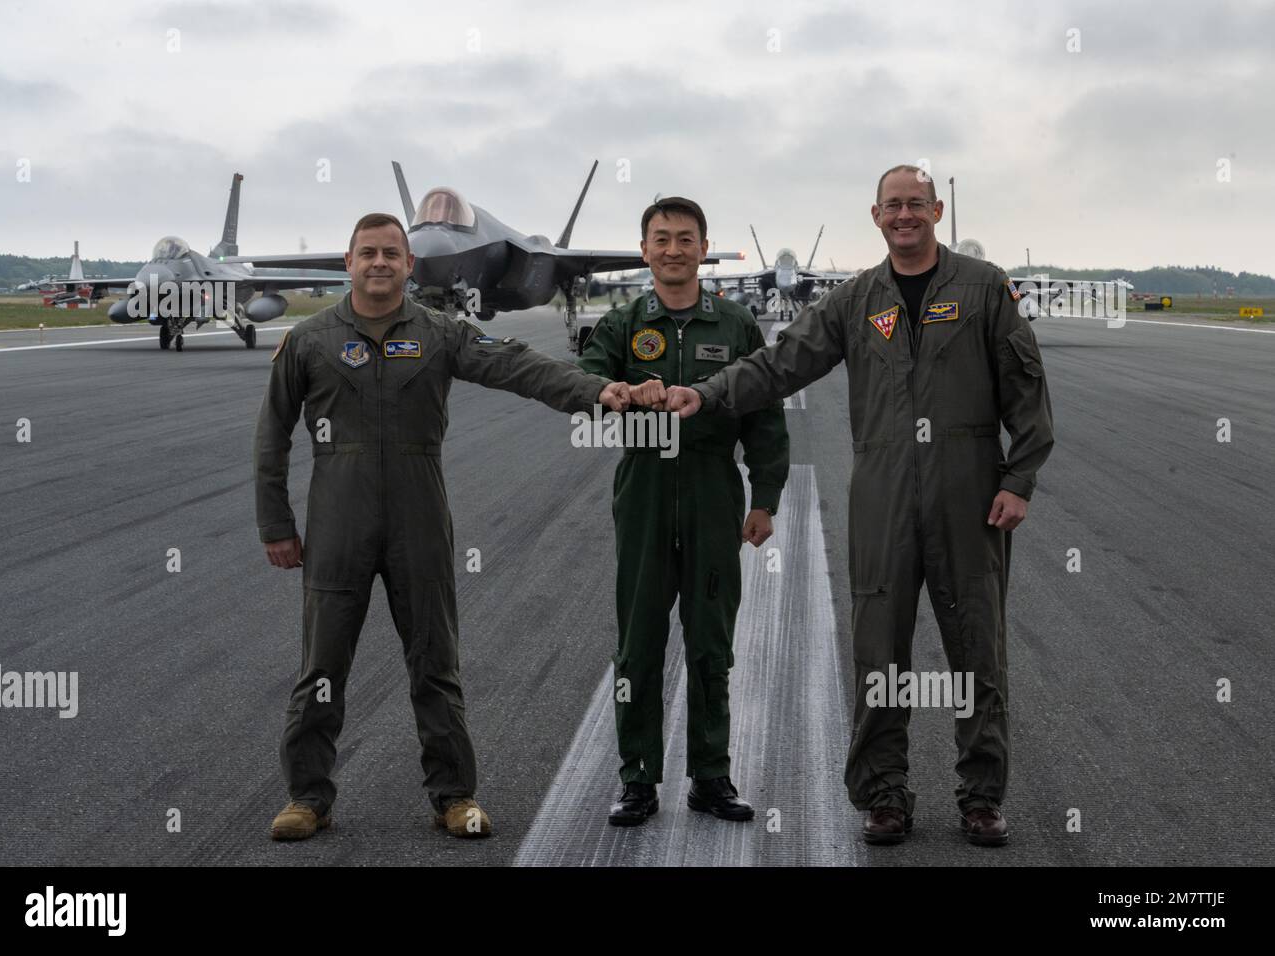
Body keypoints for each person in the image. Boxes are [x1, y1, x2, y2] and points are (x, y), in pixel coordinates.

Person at [666, 166, 1054, 847]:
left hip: (968, 495)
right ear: (875, 216)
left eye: (916, 204)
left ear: (935, 210)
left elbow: (1028, 390)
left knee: (978, 652)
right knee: (879, 652)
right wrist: (710, 392)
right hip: (881, 495)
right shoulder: (854, 300)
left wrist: (1018, 479)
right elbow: (782, 362)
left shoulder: (983, 288)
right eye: (892, 206)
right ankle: (884, 794)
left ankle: (982, 797)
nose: (905, 215)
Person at [255, 212, 631, 840]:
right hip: (337, 526)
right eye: (367, 253)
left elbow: (515, 364)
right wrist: (276, 524)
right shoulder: (309, 340)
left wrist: (593, 391)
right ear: (348, 262)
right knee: (322, 668)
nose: (379, 263)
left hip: (418, 521)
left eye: (391, 254)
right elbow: (271, 438)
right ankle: (307, 797)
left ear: (408, 265)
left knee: (435, 666)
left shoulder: (438, 333)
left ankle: (454, 796)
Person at [577, 197, 789, 826]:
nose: (673, 249)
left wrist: (765, 498)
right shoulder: (619, 326)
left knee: (711, 645)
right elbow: (583, 391)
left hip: (712, 493)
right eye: (661, 239)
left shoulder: (735, 325)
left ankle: (711, 775)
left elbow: (764, 412)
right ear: (644, 250)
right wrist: (614, 392)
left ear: (704, 247)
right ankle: (637, 779)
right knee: (637, 646)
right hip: (641, 495)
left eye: (685, 239)